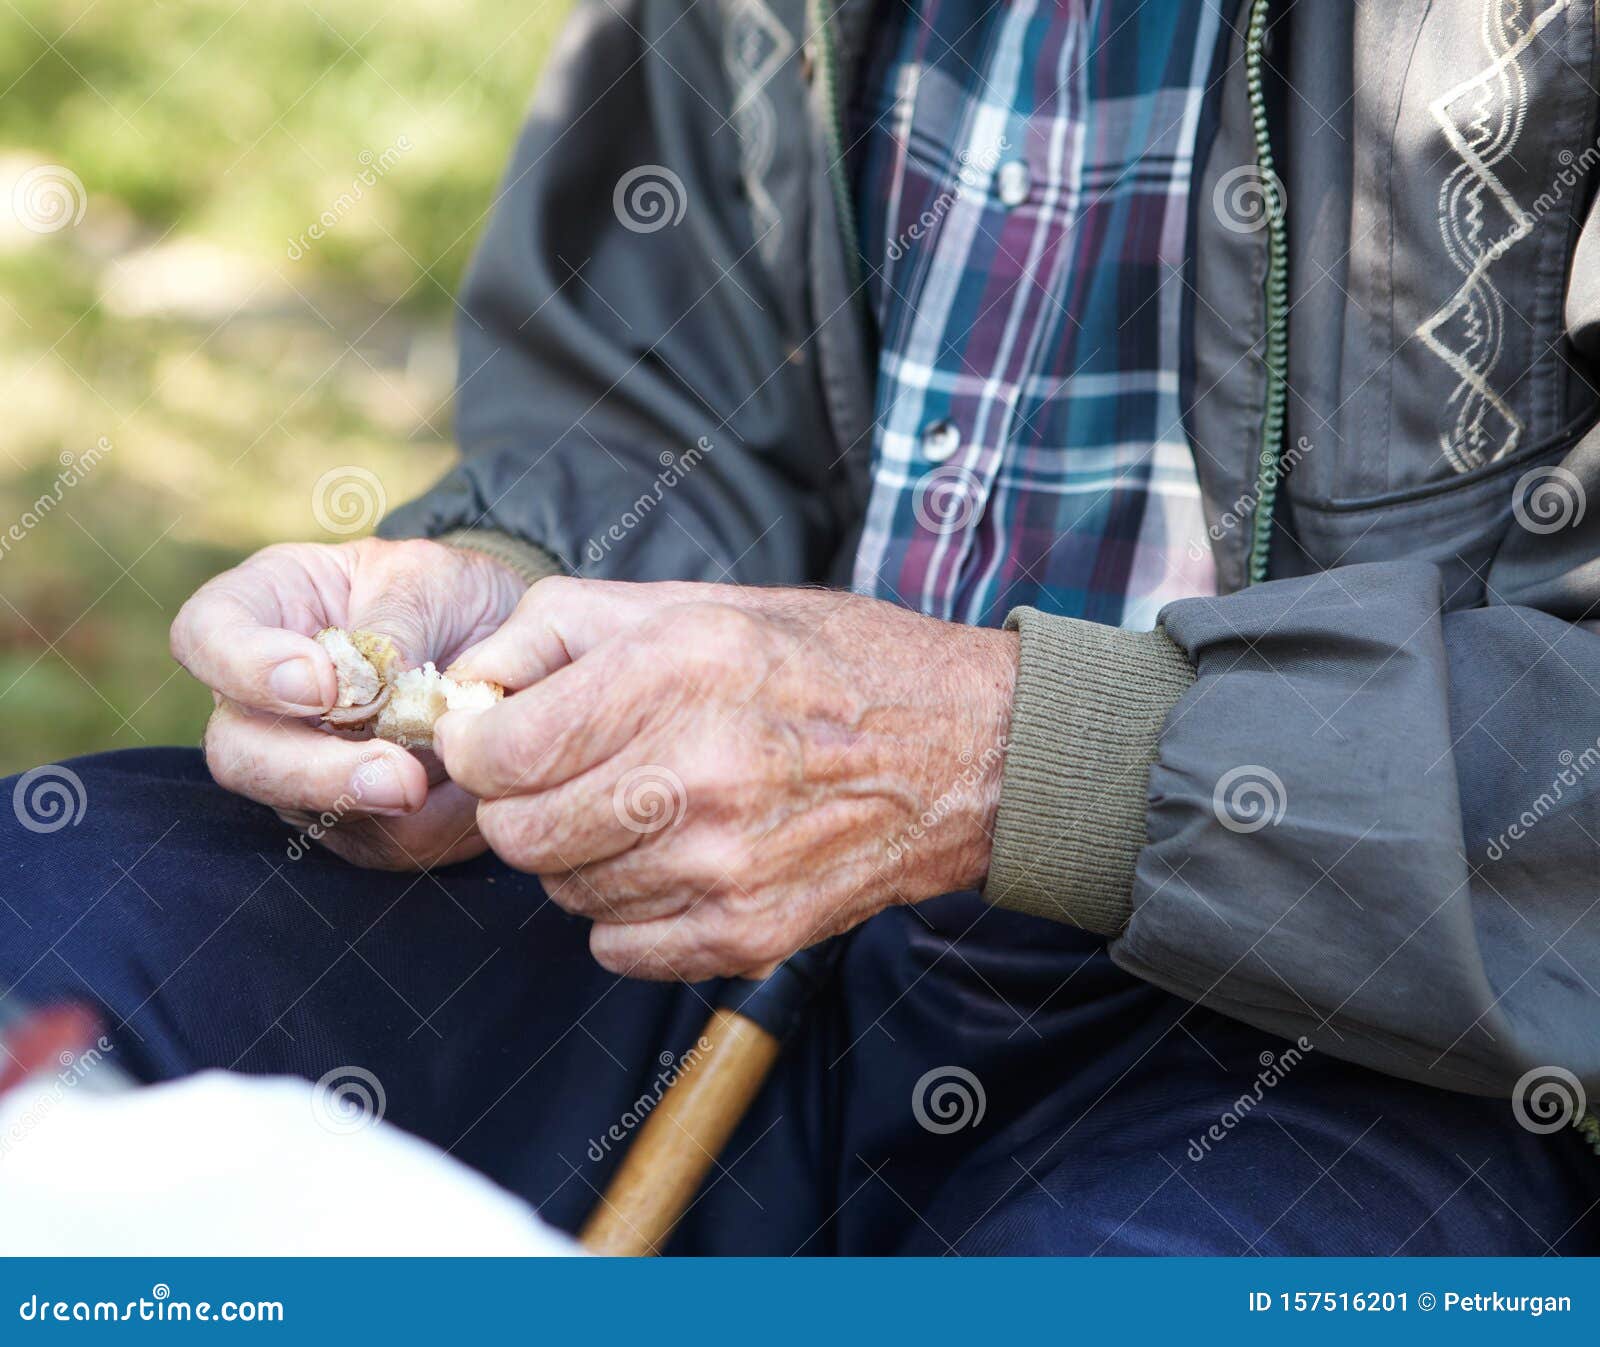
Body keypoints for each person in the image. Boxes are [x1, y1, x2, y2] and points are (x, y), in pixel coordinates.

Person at [6, 0, 1600, 1253]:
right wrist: (510, 601)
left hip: (1365, 1029)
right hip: (690, 907)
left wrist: (1014, 756)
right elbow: (659, 394)